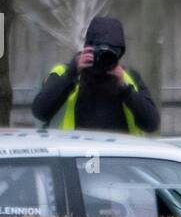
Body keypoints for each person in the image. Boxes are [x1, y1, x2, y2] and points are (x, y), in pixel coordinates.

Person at [31, 16, 160, 134]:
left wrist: (125, 89)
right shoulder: (64, 73)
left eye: (111, 53)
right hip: (73, 155)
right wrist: (72, 72)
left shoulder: (129, 79)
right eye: (100, 51)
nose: (104, 58)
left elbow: (151, 124)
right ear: (87, 49)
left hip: (119, 157)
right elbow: (40, 112)